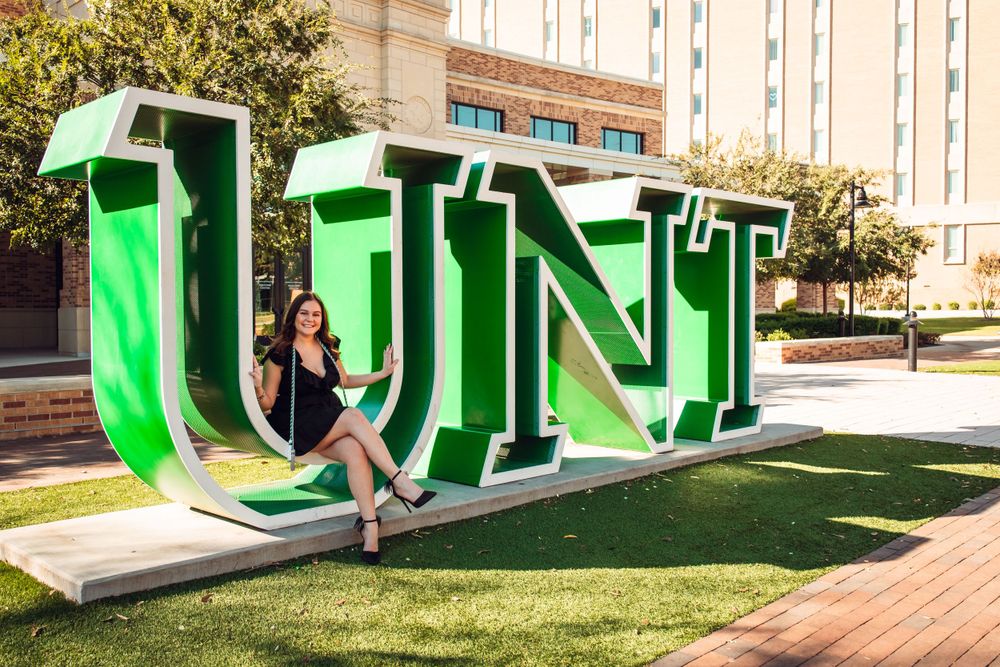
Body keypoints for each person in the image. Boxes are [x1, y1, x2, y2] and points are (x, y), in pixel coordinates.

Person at [249, 291, 436, 565]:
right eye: (304, 313)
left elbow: (345, 381)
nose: (309, 319)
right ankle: (399, 480)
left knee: (355, 451)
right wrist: (255, 386)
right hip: (295, 424)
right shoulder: (279, 354)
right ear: (293, 317)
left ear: (321, 319)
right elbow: (267, 403)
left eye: (315, 314)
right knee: (352, 416)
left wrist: (382, 374)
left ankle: (370, 526)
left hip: (326, 420)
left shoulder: (328, 346)